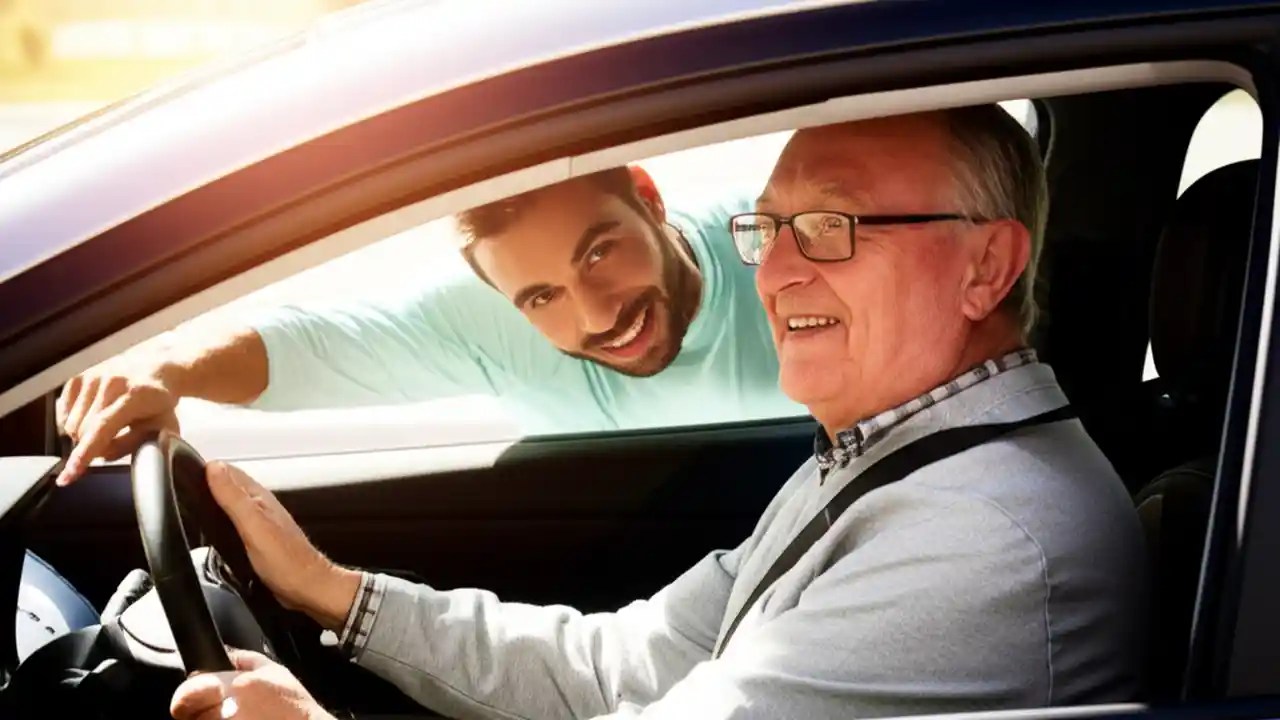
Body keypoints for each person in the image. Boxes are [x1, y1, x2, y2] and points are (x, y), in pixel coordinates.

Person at [164, 106, 1148, 720]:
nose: (773, 268)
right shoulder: (885, 463)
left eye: (829, 227)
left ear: (985, 266)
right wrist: (334, 593)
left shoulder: (979, 536)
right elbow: (621, 666)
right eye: (767, 227)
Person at [52, 165, 802, 487]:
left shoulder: (790, 245)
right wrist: (167, 366)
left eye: (602, 252)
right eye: (543, 297)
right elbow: (314, 344)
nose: (599, 315)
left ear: (648, 196)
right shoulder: (487, 321)